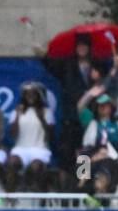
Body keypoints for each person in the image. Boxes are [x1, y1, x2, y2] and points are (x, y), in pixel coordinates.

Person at [40, 32, 107, 172]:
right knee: (67, 152)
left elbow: (107, 84)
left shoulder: (97, 64)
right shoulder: (67, 64)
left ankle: (82, 182)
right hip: (70, 115)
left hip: (89, 116)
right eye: (79, 46)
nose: (81, 49)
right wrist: (43, 54)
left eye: (84, 46)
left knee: (85, 150)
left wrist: (98, 78)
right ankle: (66, 187)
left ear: (89, 48)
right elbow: (51, 66)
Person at [8, 82, 53, 169]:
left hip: (40, 149)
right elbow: (13, 134)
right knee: (12, 163)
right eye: (27, 94)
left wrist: (42, 119)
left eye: (33, 94)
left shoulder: (47, 112)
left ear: (39, 96)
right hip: (20, 148)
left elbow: (50, 137)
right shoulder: (17, 111)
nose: (30, 96)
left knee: (35, 167)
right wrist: (17, 117)